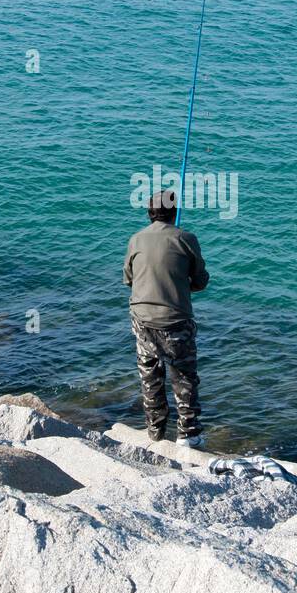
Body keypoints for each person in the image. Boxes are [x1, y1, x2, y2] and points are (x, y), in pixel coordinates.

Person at [123, 188, 209, 446]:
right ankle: (189, 435)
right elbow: (201, 281)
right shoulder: (186, 238)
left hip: (143, 321)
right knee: (184, 377)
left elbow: (128, 279)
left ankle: (155, 432)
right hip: (175, 322)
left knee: (150, 376)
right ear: (174, 212)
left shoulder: (136, 240)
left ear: (150, 213)